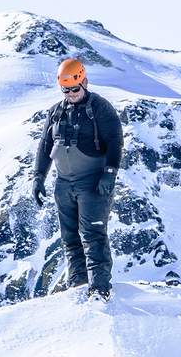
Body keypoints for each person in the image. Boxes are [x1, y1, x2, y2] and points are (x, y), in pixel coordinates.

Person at [32, 58, 124, 301]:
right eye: (65, 90)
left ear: (84, 81)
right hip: (63, 184)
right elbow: (45, 145)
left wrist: (110, 173)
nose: (71, 94)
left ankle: (100, 289)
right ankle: (78, 287)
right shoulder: (55, 112)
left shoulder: (101, 109)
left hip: (93, 183)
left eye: (75, 89)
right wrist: (38, 176)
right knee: (70, 238)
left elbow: (115, 141)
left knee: (93, 236)